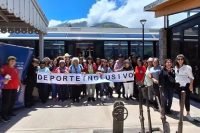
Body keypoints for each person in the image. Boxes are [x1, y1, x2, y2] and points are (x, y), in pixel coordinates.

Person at [175, 54, 194, 121]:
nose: (180, 60)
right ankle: (181, 112)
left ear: (184, 60)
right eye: (179, 59)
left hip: (186, 85)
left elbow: (191, 77)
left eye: (181, 59)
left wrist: (191, 85)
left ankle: (188, 114)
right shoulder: (176, 67)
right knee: (180, 99)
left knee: (186, 99)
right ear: (177, 60)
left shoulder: (188, 67)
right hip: (178, 85)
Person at [0, 56, 20, 122]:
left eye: (14, 61)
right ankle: (3, 116)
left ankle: (9, 112)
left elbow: (17, 77)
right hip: (7, 88)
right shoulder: (4, 67)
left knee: (12, 101)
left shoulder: (16, 69)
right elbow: (1, 76)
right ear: (8, 61)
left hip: (14, 87)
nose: (13, 62)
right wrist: (4, 79)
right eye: (11, 61)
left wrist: (19, 84)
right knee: (6, 102)